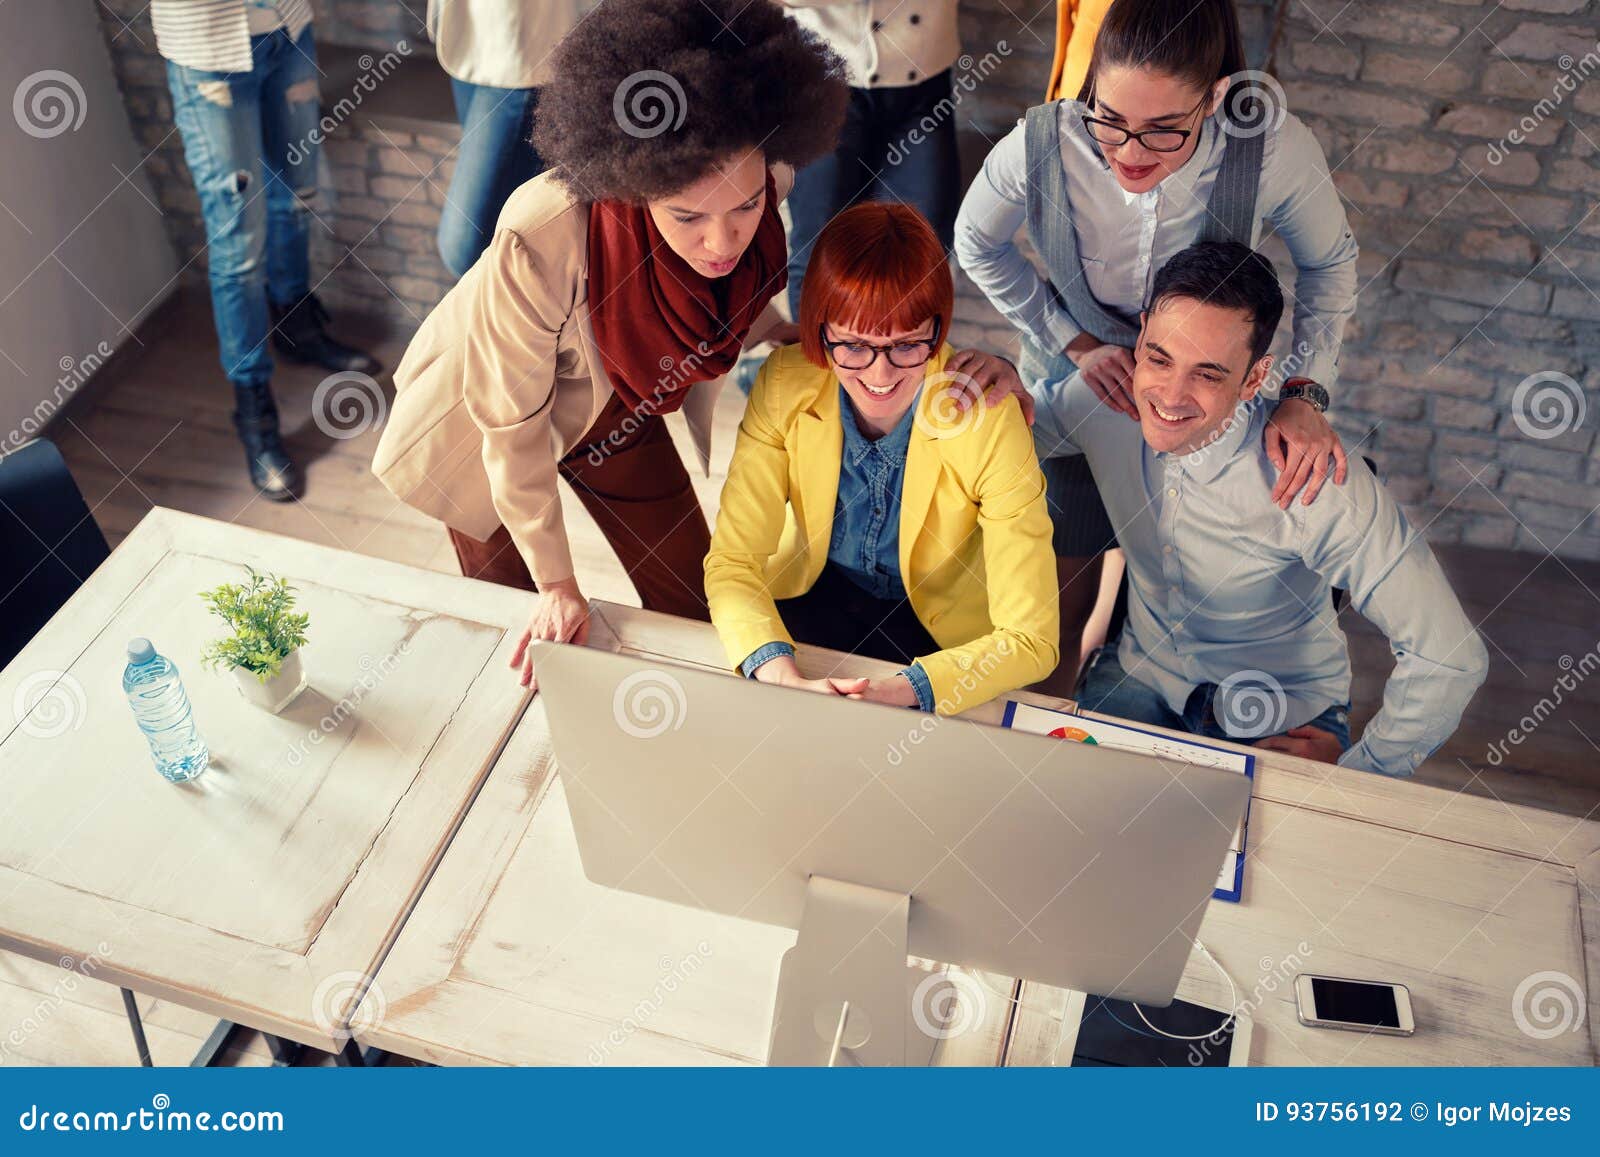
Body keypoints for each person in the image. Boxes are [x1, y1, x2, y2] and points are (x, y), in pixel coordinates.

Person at [373, 0, 849, 689]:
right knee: (527, 639)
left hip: (615, 401)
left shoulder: (762, 172)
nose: (723, 242)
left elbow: (731, 295)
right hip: (479, 428)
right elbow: (510, 429)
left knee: (694, 600)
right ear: (633, 185)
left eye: (745, 209)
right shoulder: (540, 234)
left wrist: (790, 333)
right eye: (688, 216)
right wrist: (560, 583)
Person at [954, 0, 1359, 691]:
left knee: (1173, 591)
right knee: (1057, 596)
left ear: (1214, 101)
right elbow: (975, 244)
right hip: (1078, 375)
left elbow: (1331, 264)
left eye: (1164, 131)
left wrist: (1304, 391)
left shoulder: (1274, 150)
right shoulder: (1042, 143)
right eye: (1109, 120)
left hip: (1199, 393)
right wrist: (1074, 341)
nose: (1129, 154)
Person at [1032, 242, 1487, 776]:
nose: (1170, 395)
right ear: (1141, 338)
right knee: (1066, 813)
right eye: (1159, 357)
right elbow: (993, 431)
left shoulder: (1315, 479)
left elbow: (1450, 658)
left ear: (1254, 378)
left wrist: (1358, 776)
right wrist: (979, 379)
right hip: (1140, 674)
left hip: (1282, 714)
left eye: (1207, 373)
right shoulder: (1106, 404)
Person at [706, 203, 1059, 717]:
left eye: (906, 345)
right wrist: (781, 676)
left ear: (937, 331)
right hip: (812, 591)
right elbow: (733, 564)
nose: (880, 374)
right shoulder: (783, 384)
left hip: (938, 634)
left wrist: (906, 691)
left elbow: (1033, 638)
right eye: (852, 345)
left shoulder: (988, 416)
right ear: (819, 331)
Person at [151, 0, 379, 501]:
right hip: (209, 47)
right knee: (240, 249)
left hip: (288, 27)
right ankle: (255, 411)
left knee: (297, 201)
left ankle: (296, 327)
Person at [776, 1, 963, 321]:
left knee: (923, 251)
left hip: (924, 83)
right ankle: (812, 367)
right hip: (820, 80)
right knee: (819, 252)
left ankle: (897, 366)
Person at [427, 0, 594, 278]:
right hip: (471, 28)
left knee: (464, 248)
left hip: (522, 43)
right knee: (508, 233)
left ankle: (514, 317)